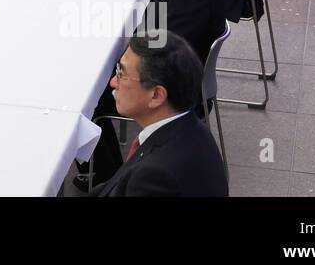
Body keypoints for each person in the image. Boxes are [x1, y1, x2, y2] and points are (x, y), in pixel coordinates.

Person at [89, 0, 229, 184]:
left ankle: (107, 174)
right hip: (181, 62)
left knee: (90, 94)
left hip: (173, 82)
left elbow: (158, 44)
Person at [89, 34, 229, 197]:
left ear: (156, 95)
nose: (113, 82)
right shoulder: (191, 129)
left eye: (121, 73)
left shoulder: (155, 177)